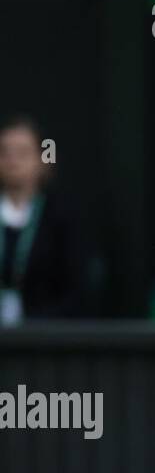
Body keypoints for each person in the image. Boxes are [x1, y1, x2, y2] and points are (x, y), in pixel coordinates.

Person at [0, 115, 90, 324]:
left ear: (43, 160)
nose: (12, 160)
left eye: (23, 153)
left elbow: (77, 292)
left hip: (44, 340)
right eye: (4, 152)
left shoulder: (61, 217)